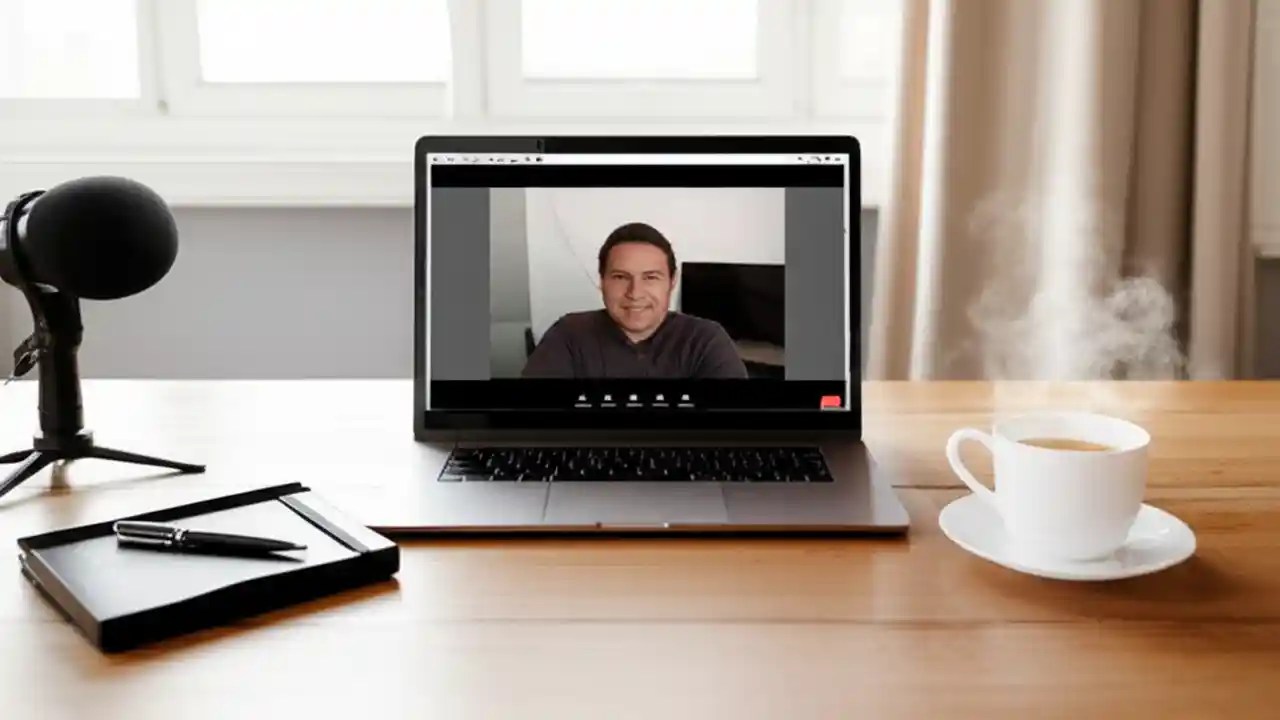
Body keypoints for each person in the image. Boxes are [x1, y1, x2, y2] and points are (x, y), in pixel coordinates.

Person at [521, 222, 749, 379]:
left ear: (671, 282)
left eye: (650, 277)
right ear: (602, 281)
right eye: (620, 277)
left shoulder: (705, 339)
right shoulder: (568, 335)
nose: (635, 292)